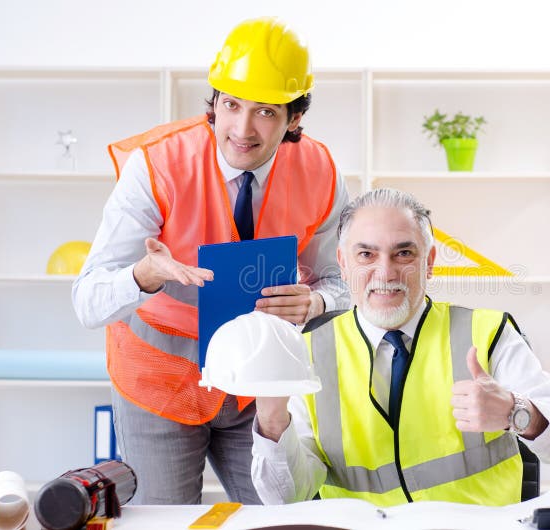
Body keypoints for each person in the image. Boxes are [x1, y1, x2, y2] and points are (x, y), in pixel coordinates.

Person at [72, 17, 350, 505]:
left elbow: (343, 283)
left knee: (282, 516)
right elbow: (88, 303)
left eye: (265, 111)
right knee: (165, 521)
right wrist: (145, 276)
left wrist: (316, 300)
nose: (241, 129)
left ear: (294, 117)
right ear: (215, 102)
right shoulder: (156, 165)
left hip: (260, 385)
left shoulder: (321, 171)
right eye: (231, 104)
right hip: (161, 382)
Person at [251, 188, 550, 506]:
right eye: (366, 254)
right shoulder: (304, 352)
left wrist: (517, 412)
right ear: (342, 262)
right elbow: (286, 498)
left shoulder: (486, 333)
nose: (385, 272)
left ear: (428, 261)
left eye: (404, 253)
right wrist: (270, 420)